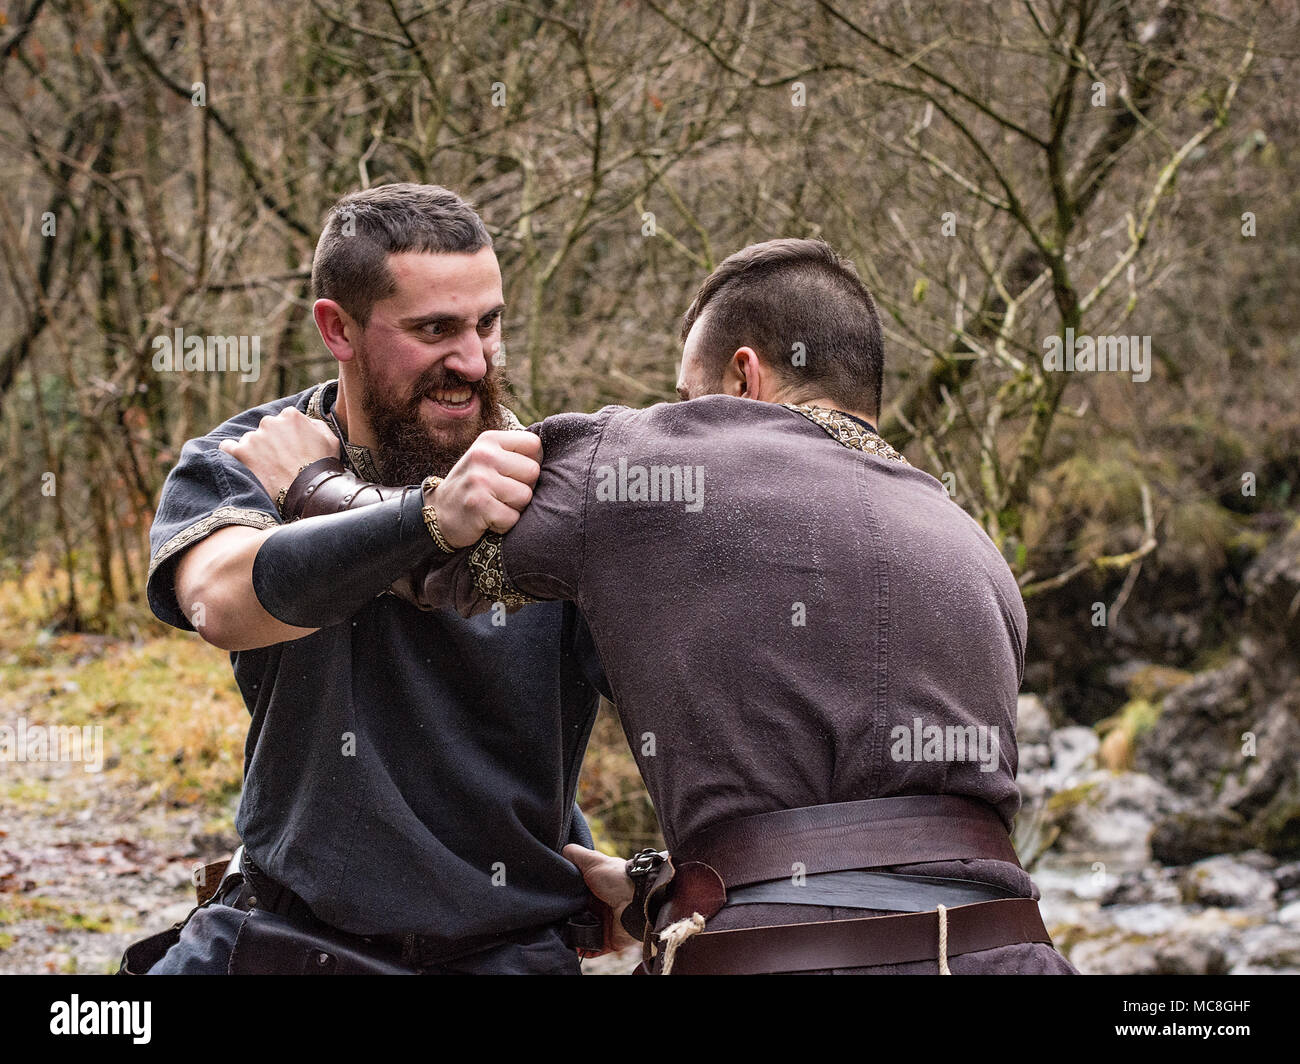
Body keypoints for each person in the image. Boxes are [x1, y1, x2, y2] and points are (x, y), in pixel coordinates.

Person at [235, 237, 1078, 974]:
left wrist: (312, 485)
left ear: (743, 376)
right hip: (1014, 948)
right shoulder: (974, 548)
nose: (676, 413)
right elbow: (875, 834)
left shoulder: (654, 464)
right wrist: (657, 892)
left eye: (686, 393)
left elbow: (443, 547)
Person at [129, 184, 609, 975]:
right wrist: (427, 518)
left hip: (510, 952)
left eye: (488, 323)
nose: (472, 359)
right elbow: (222, 601)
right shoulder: (252, 456)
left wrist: (658, 882)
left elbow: (689, 688)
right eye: (434, 330)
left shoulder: (559, 489)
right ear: (337, 328)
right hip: (286, 937)